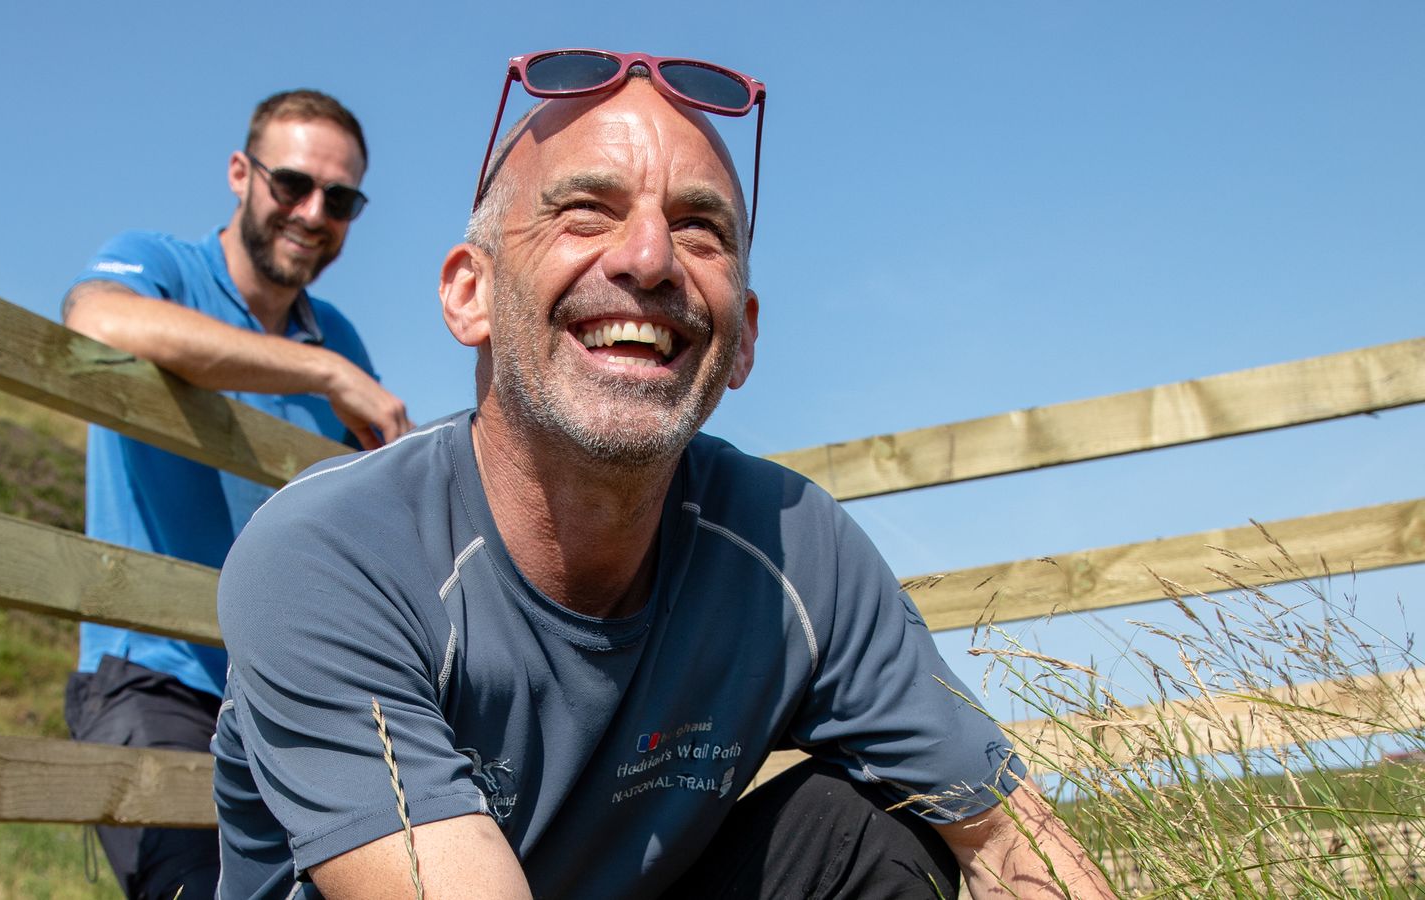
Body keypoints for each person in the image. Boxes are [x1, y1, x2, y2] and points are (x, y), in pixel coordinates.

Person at [213, 53, 1112, 899]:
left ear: (744, 336)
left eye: (699, 228)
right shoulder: (331, 555)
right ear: (469, 293)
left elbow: (1010, 839)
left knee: (864, 832)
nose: (648, 259)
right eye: (585, 212)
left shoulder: (793, 550)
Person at [61, 89, 412, 900]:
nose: (313, 212)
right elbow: (97, 321)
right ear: (239, 173)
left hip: (288, 688)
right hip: (154, 671)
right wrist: (323, 373)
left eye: (340, 199)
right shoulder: (161, 265)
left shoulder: (338, 335)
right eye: (292, 183)